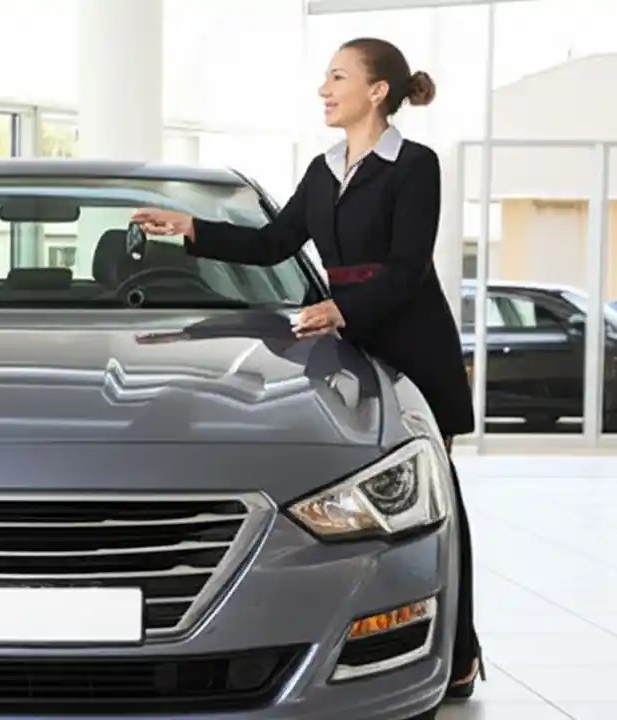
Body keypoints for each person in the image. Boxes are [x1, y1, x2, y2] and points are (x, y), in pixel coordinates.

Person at [131, 37, 483, 700]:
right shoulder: (324, 169)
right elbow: (272, 243)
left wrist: (339, 309)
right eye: (326, 77)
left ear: (377, 92)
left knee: (436, 501)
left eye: (338, 77)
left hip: (408, 343)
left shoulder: (415, 165)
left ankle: (459, 654)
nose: (325, 89)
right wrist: (190, 229)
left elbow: (408, 271)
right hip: (344, 344)